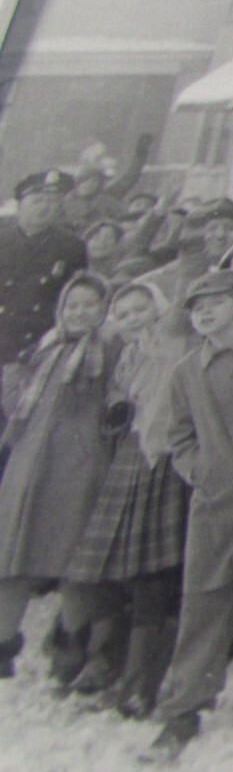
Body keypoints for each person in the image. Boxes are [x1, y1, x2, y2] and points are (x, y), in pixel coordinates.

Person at [143, 268, 233, 761]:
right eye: (196, 307)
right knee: (204, 604)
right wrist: (202, 470)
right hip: (216, 504)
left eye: (215, 301)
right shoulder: (186, 371)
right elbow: (179, 437)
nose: (203, 312)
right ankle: (181, 714)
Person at [60, 278, 188, 716]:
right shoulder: (129, 356)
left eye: (140, 309)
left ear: (157, 309)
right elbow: (120, 391)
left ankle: (141, 683)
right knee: (107, 567)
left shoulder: (174, 343)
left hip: (168, 459)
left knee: (155, 575)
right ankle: (104, 663)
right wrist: (118, 404)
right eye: (124, 312)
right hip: (135, 456)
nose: (132, 318)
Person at [0, 273, 119, 682]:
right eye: (73, 306)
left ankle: (72, 649)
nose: (80, 313)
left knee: (74, 564)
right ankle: (2, 648)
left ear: (103, 310)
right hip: (29, 466)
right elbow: (23, 406)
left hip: (78, 470)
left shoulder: (108, 351)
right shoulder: (46, 349)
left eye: (89, 305)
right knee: (11, 558)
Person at [0, 170, 89, 414]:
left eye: (52, 202)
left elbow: (73, 296)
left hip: (36, 345)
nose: (44, 208)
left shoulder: (71, 248)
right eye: (37, 201)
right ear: (21, 204)